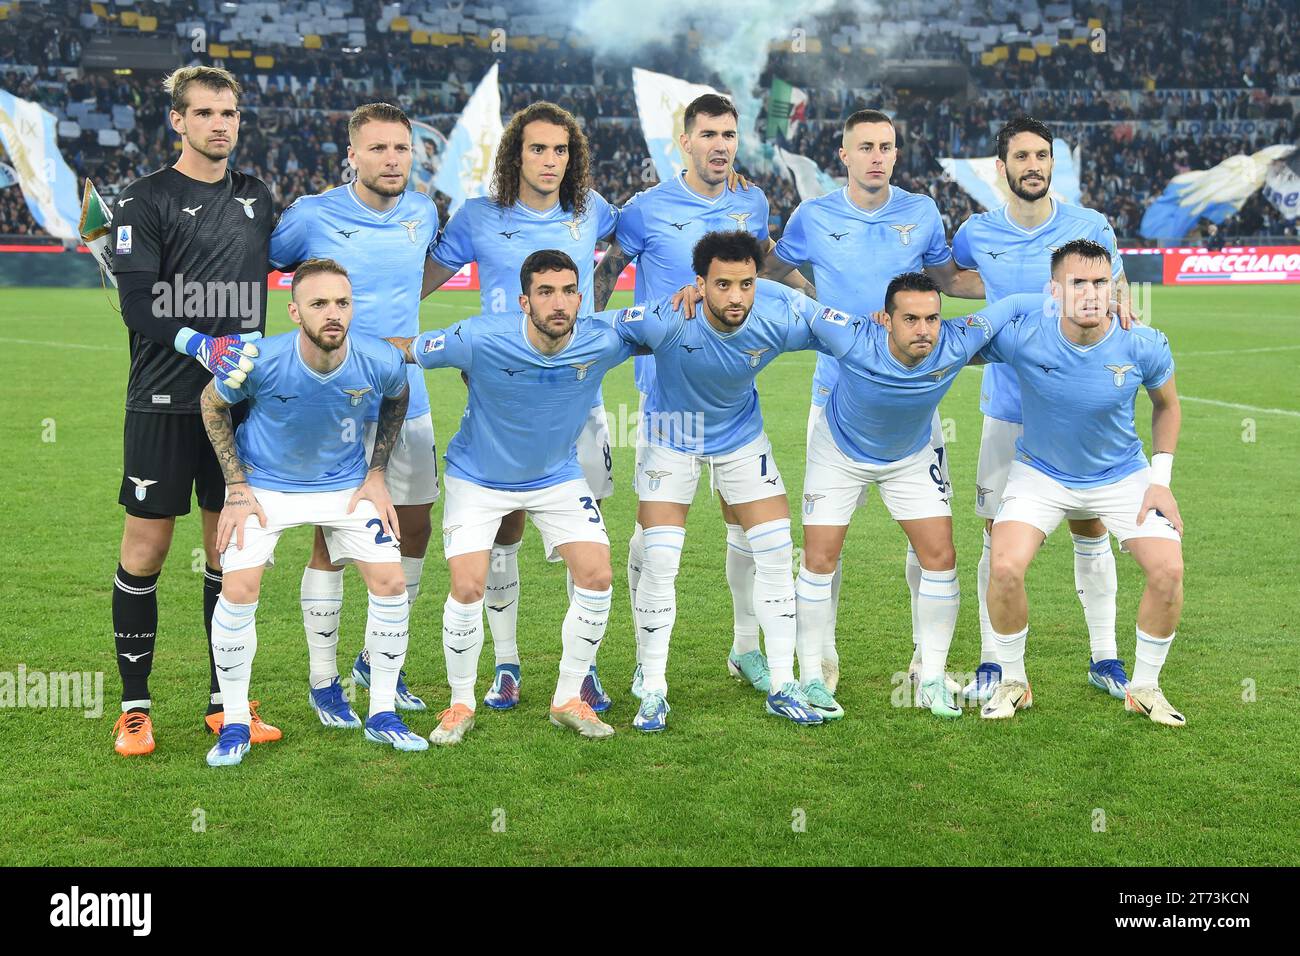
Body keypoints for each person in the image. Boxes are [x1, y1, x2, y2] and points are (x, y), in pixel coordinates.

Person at [764, 108, 985, 691]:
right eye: (866, 147)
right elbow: (769, 270)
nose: (877, 157)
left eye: (886, 146)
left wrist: (1030, 276)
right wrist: (814, 297)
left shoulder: (920, 212)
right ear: (844, 155)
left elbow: (946, 280)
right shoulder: (813, 217)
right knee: (823, 543)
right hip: (833, 400)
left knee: (928, 535)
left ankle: (924, 660)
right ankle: (823, 659)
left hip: (912, 405)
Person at [391, 250, 641, 744]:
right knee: (467, 586)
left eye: (569, 291)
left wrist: (692, 295)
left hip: (557, 475)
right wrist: (328, 343)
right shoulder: (480, 337)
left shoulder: (602, 339)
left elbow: (667, 326)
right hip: (478, 477)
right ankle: (460, 704)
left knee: (597, 576)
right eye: (546, 292)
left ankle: (568, 698)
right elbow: (405, 349)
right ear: (525, 301)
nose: (559, 303)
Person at [420, 102, 620, 712]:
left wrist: (596, 309)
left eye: (561, 150)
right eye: (539, 149)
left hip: (575, 394)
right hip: (501, 396)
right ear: (515, 155)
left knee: (583, 530)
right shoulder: (480, 217)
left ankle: (579, 672)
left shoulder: (590, 211)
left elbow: (628, 244)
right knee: (504, 524)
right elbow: (420, 280)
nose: (551, 161)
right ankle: (505, 664)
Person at [594, 93, 792, 694]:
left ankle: (745, 648)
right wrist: (587, 344)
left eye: (728, 134)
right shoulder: (647, 209)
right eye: (708, 134)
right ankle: (643, 660)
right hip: (668, 402)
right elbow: (607, 271)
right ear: (684, 142)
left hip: (734, 398)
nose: (720, 145)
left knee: (743, 526)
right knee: (656, 542)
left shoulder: (752, 202)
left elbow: (760, 274)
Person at [107, 65, 277, 756]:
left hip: (235, 404)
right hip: (161, 400)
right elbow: (137, 301)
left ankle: (224, 702)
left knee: (227, 551)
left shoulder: (257, 197)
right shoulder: (144, 199)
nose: (220, 124)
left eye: (230, 113)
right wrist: (199, 341)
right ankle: (135, 708)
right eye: (206, 112)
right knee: (146, 550)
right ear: (177, 119)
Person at [951, 115, 1136, 704]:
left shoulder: (1088, 226)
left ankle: (1104, 656)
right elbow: (949, 280)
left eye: (1042, 155)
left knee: (1091, 526)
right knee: (994, 538)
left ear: (1053, 163)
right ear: (1000, 168)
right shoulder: (977, 233)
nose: (1033, 166)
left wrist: (1125, 300)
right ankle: (992, 661)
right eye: (1022, 157)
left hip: (1078, 411)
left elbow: (1117, 286)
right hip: (1007, 409)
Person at [616, 231, 831, 730]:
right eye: (723, 285)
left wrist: (886, 324)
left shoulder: (777, 310)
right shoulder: (669, 316)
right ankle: (652, 686)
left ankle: (783, 684)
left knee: (776, 549)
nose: (736, 297)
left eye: (746, 284)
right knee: (662, 555)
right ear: (699, 283)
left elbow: (844, 330)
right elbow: (599, 335)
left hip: (740, 438)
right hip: (671, 434)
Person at [798, 273, 1039, 718]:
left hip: (910, 455)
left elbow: (1013, 303)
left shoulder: (955, 342)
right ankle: (813, 676)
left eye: (932, 318)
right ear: (885, 320)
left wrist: (1083, 302)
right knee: (819, 560)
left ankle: (930, 678)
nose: (924, 329)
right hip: (839, 452)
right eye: (910, 318)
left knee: (940, 557)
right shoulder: (852, 336)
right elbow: (792, 305)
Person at [269, 102, 439, 723]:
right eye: (378, 149)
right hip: (334, 399)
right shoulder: (312, 215)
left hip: (405, 395)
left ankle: (374, 658)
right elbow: (258, 257)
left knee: (415, 527)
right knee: (332, 537)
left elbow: (415, 280)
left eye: (401, 149)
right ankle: (323, 679)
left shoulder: (423, 211)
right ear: (353, 155)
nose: (392, 160)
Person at [978, 240, 1185, 727]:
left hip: (1121, 476)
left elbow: (1167, 406)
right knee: (1004, 567)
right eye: (1078, 283)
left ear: (1114, 287)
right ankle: (1013, 680)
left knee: (1168, 571)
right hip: (1041, 474)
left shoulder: (1143, 342)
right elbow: (951, 344)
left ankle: (1145, 687)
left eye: (1100, 282)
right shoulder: (1025, 335)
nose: (1091, 294)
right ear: (1055, 290)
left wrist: (1161, 480)